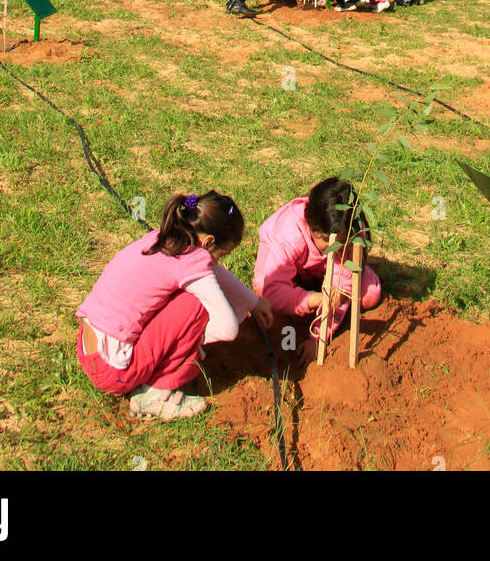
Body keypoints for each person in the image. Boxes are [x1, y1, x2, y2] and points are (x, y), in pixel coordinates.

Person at [76, 190, 272, 421]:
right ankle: (154, 394)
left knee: (184, 294)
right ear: (209, 242)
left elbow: (211, 269)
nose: (217, 261)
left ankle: (150, 371)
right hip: (113, 372)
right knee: (195, 303)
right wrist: (192, 342)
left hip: (91, 350)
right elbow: (228, 328)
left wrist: (252, 300)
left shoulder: (167, 238)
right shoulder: (193, 261)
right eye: (222, 254)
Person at [253, 177, 382, 365]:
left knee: (370, 294)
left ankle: (352, 273)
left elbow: (341, 287)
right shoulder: (290, 234)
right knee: (262, 289)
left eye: (339, 241)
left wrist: (319, 338)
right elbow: (273, 292)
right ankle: (302, 285)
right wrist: (316, 299)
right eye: (324, 239)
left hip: (319, 266)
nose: (332, 246)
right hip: (286, 255)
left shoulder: (350, 233)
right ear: (312, 228)